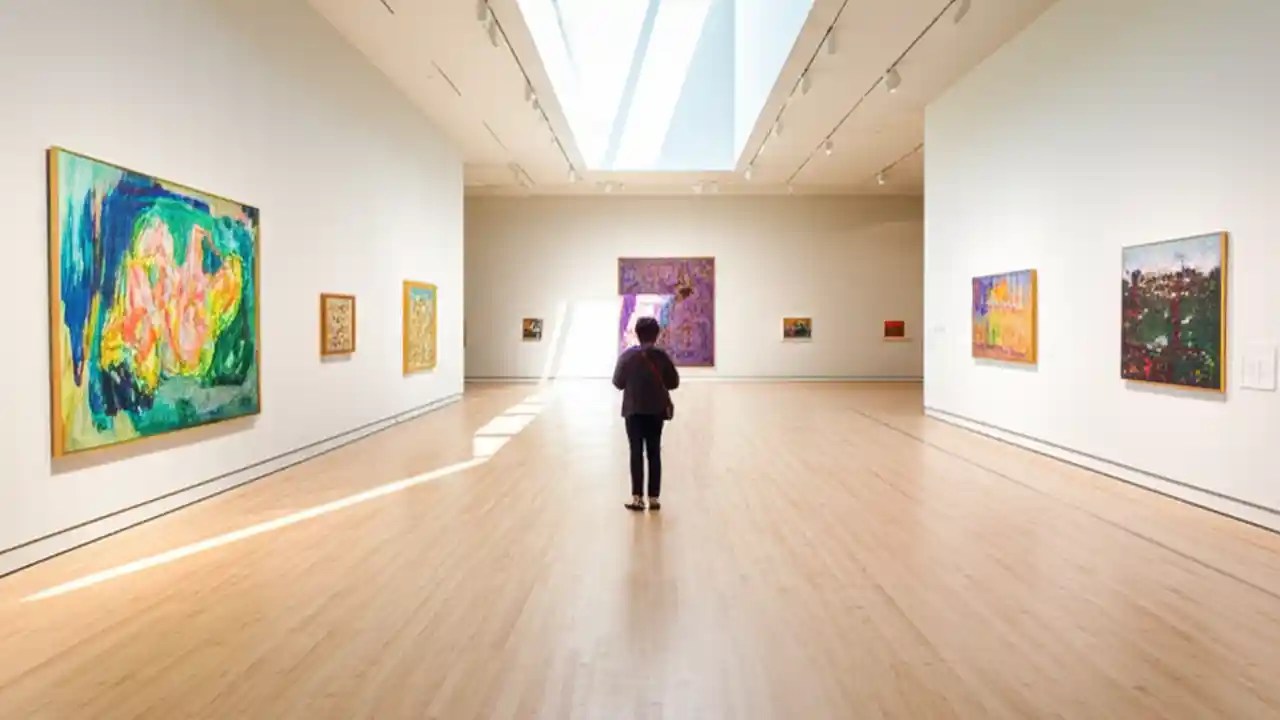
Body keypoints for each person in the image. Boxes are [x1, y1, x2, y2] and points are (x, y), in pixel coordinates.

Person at [612, 317, 679, 511]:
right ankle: (654, 498)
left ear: (637, 333)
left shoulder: (627, 356)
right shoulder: (661, 356)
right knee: (654, 452)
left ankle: (637, 498)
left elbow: (618, 383)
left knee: (635, 452)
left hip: (633, 410)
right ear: (656, 335)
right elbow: (673, 383)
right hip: (656, 410)